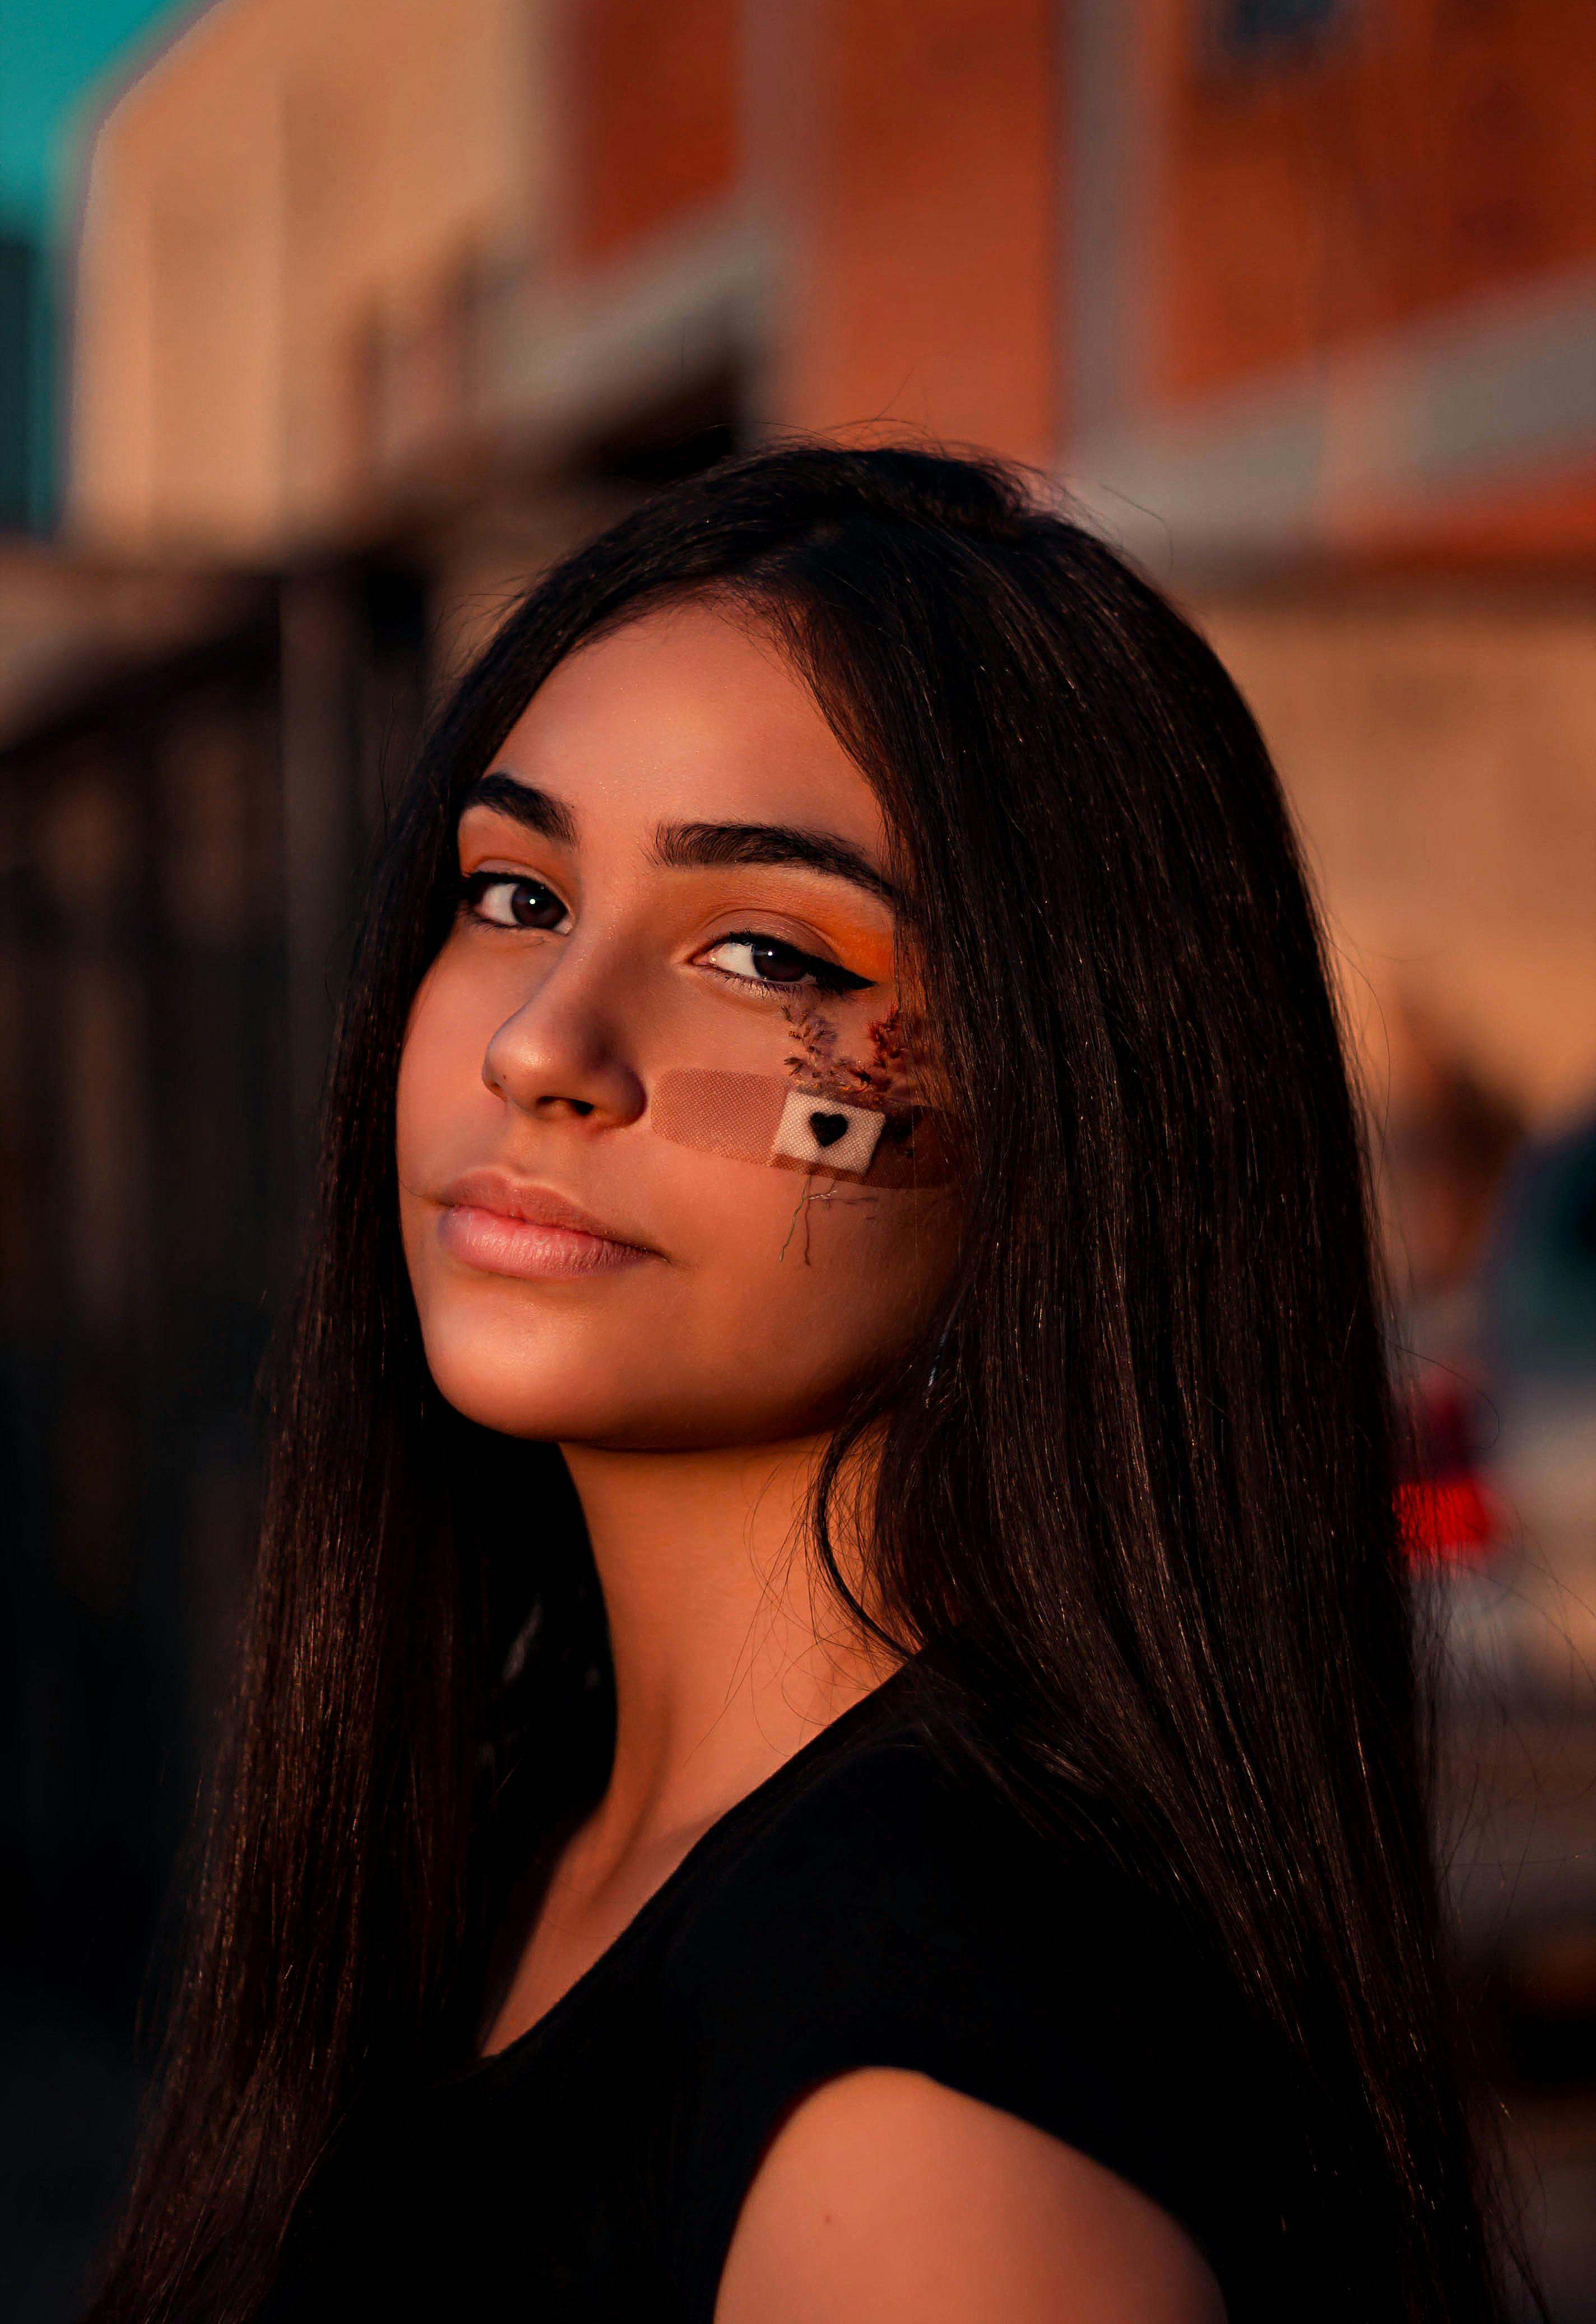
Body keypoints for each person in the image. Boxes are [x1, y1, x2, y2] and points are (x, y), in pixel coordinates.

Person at [89, 445, 1515, 2322]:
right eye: (514, 895)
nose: (544, 1048)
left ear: (1080, 1105)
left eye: (765, 950)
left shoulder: (933, 2144)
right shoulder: (502, 1815)